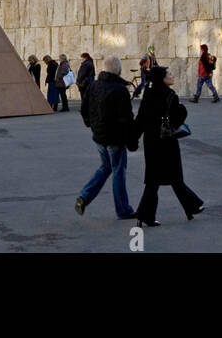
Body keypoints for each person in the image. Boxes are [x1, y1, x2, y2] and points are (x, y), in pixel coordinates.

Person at [132, 66, 203, 227]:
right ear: (162, 78)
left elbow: (141, 118)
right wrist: (182, 108)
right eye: (169, 74)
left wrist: (133, 139)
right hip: (167, 142)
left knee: (154, 179)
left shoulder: (148, 94)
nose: (172, 75)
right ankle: (191, 206)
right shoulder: (169, 95)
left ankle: (146, 215)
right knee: (174, 177)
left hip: (151, 142)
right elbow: (179, 117)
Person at [76, 56, 138, 220]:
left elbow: (84, 109)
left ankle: (84, 196)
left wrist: (92, 125)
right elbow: (127, 119)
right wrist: (132, 141)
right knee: (118, 170)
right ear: (118, 70)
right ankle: (123, 209)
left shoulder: (94, 86)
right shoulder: (120, 90)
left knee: (106, 167)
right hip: (115, 138)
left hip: (99, 137)